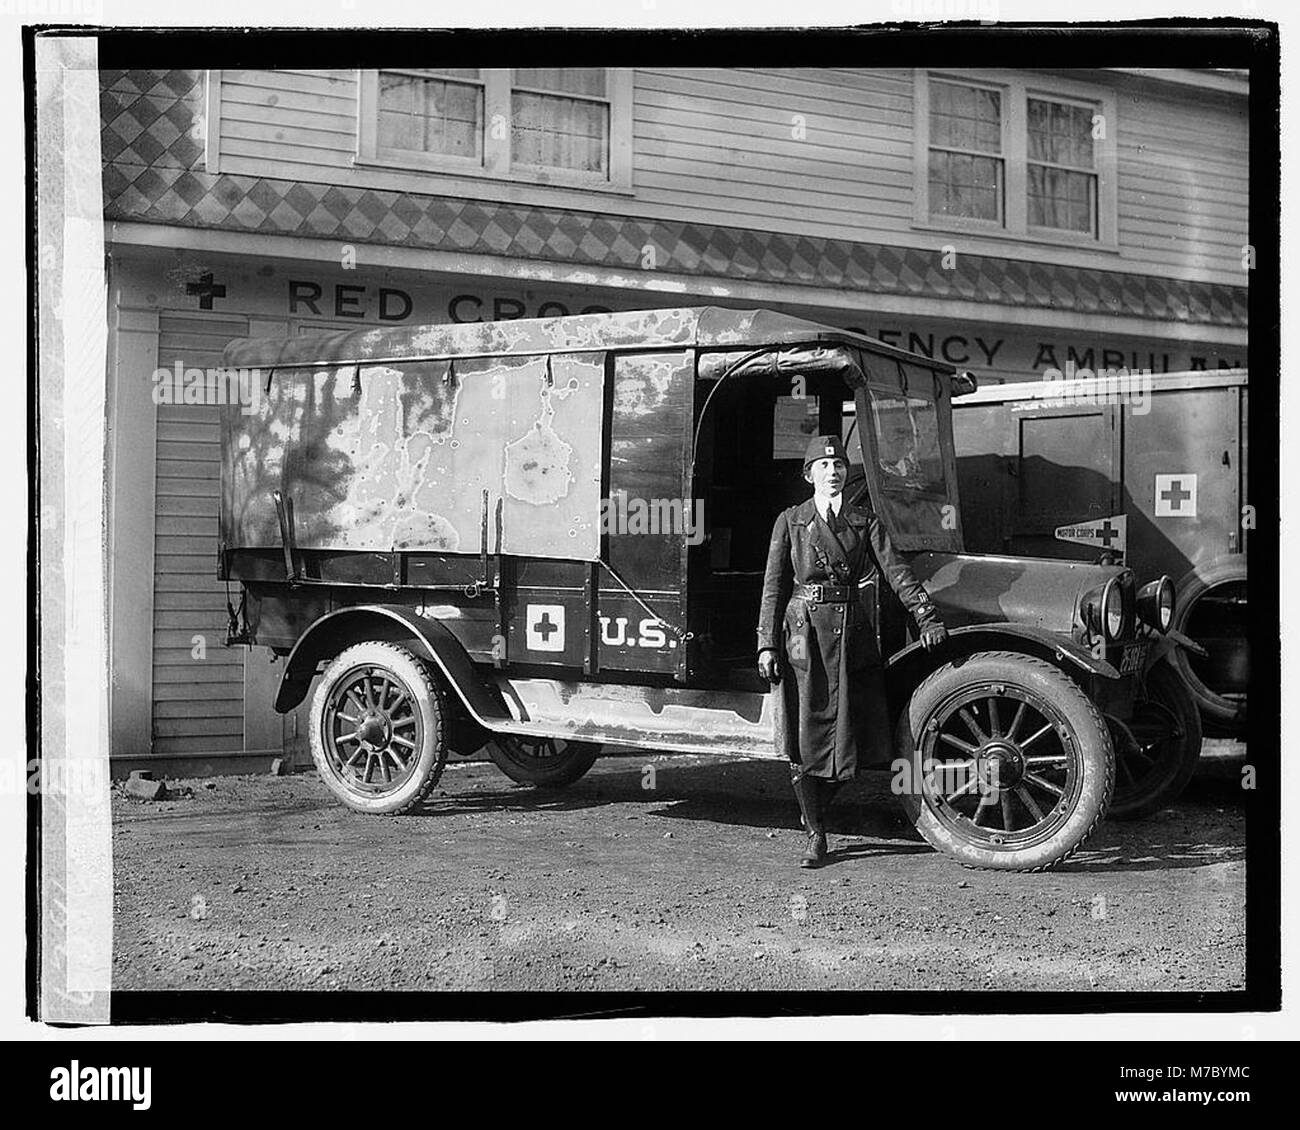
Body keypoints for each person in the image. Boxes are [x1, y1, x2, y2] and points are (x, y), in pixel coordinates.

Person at [757, 434, 949, 868]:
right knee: (806, 737)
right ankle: (815, 832)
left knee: (855, 738)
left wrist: (927, 618)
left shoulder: (865, 521)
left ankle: (819, 810)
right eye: (823, 467)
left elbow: (898, 573)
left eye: (839, 466)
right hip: (805, 641)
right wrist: (766, 643)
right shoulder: (790, 521)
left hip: (852, 637)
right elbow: (773, 588)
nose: (833, 472)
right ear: (809, 476)